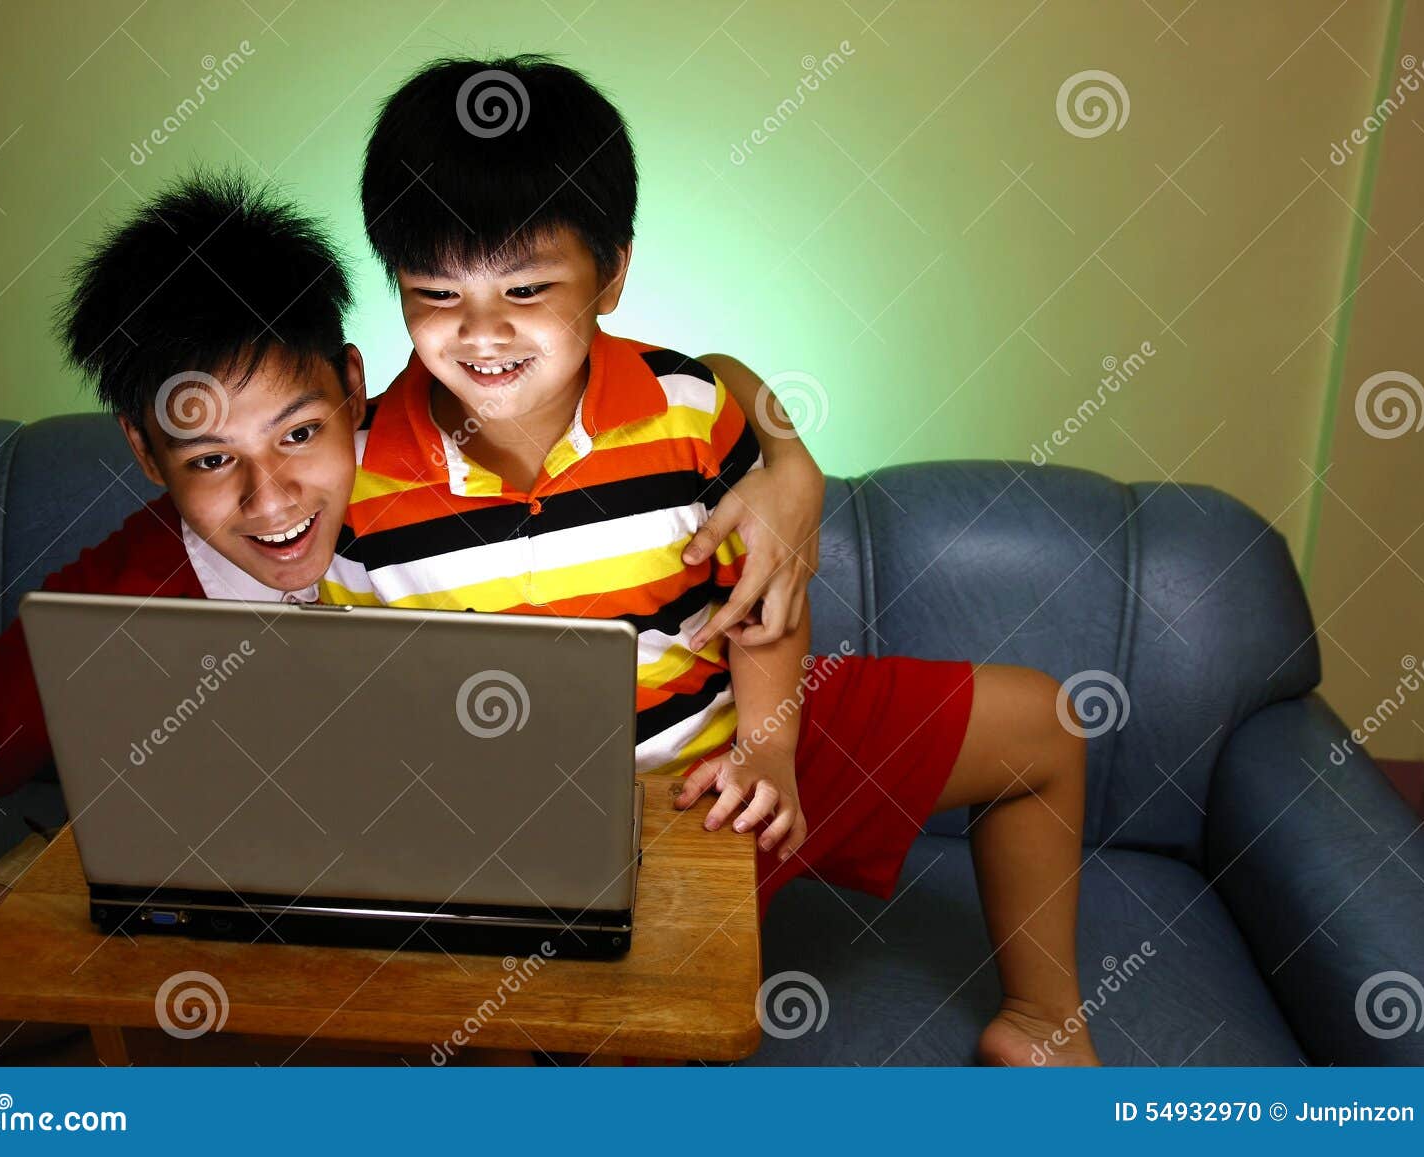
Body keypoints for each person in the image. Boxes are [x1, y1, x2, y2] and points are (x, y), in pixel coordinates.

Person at [0, 172, 822, 1065]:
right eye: (211, 458)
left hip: (444, 917)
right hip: (172, 916)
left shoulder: (443, 463)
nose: (274, 502)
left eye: (300, 435)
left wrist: (787, 461)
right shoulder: (122, 595)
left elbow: (694, 375)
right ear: (148, 453)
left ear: (351, 389)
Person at [347, 55, 1100, 1065]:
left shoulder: (689, 408)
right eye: (434, 294)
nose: (481, 334)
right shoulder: (351, 480)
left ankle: (1044, 1021)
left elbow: (761, 594)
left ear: (609, 272)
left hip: (726, 750)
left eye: (527, 288)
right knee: (614, 1043)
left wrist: (771, 747)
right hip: (532, 842)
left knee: (1043, 723)